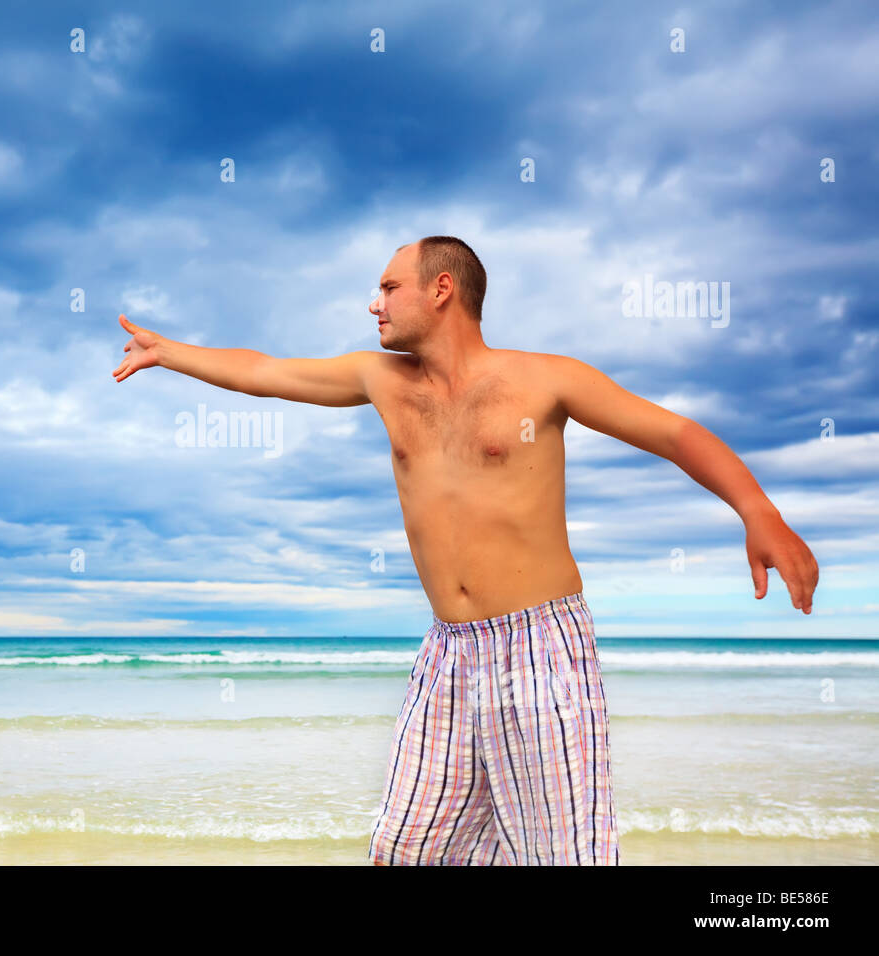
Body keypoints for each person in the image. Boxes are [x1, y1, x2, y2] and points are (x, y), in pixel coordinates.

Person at [111, 235, 819, 865]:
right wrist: (168, 352)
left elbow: (673, 434)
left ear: (441, 288)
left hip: (540, 647)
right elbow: (263, 372)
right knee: (406, 848)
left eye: (389, 287)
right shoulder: (380, 381)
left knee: (563, 853)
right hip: (447, 653)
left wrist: (758, 511)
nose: (374, 305)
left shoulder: (544, 380)